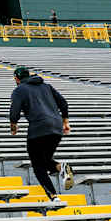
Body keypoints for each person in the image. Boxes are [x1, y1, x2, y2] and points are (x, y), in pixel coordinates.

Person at [9, 66, 72, 199]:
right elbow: (63, 103)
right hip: (56, 128)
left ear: (17, 79)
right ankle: (60, 167)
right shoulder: (46, 86)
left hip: (38, 128)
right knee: (44, 161)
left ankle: (53, 196)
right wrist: (65, 122)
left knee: (37, 165)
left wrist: (13, 125)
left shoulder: (19, 90)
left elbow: (14, 111)